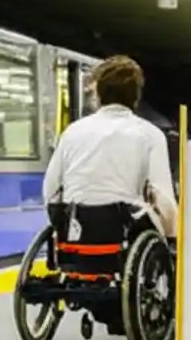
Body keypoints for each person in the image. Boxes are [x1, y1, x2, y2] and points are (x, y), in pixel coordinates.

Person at [42, 55, 178, 240]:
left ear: (98, 94)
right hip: (124, 235)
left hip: (78, 233)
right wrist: (171, 235)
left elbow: (51, 189)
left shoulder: (72, 132)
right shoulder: (150, 135)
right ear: (136, 96)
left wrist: (59, 225)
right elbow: (162, 197)